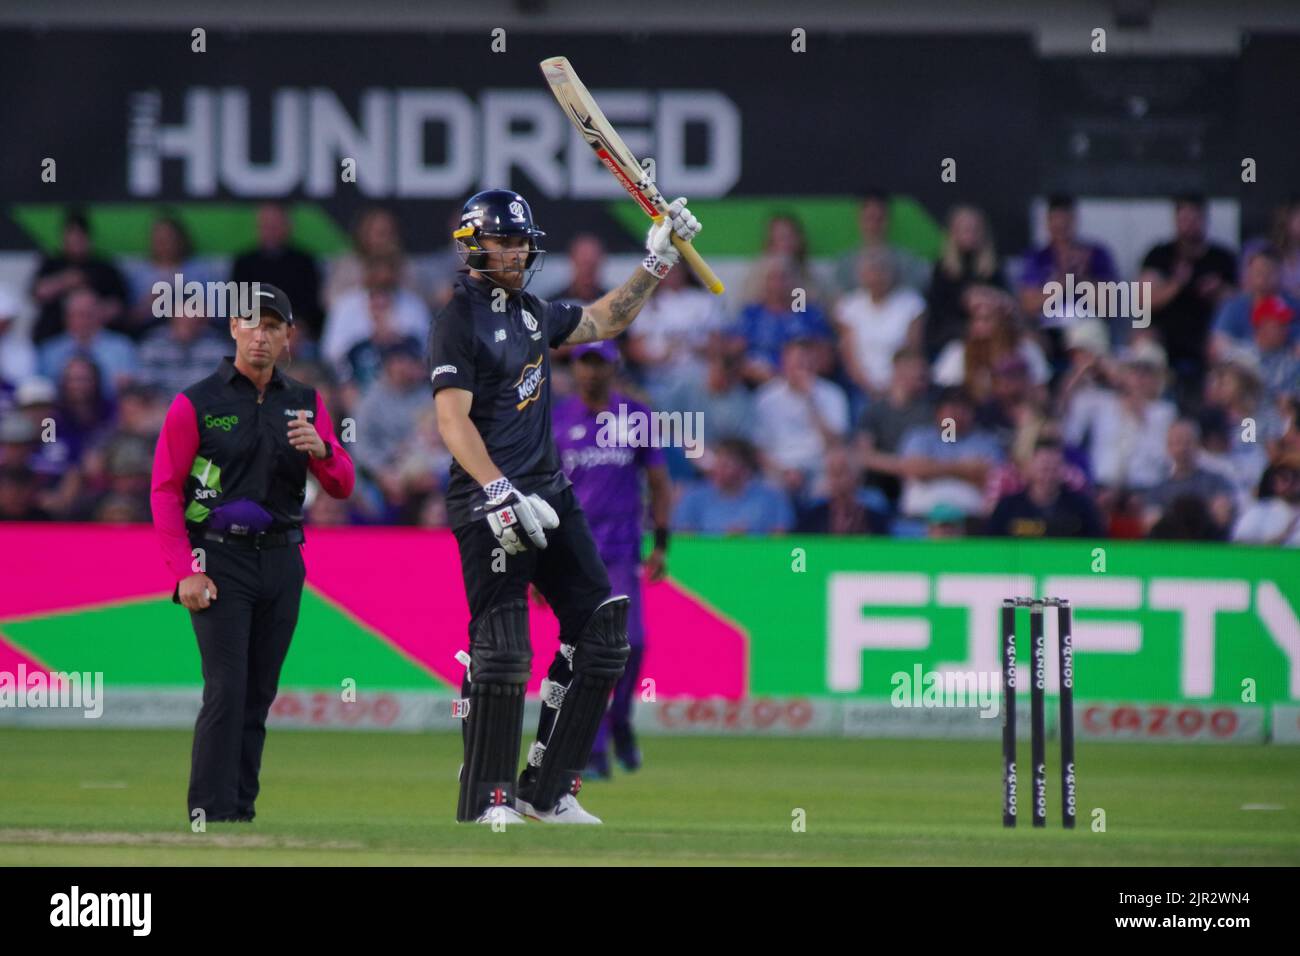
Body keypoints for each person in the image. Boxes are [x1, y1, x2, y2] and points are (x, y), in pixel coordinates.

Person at [429, 188, 701, 826]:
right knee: (501, 647)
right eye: (506, 241)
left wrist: (655, 262)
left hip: (549, 492)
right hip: (486, 497)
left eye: (524, 241)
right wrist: (497, 489)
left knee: (603, 632)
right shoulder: (457, 320)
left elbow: (602, 322)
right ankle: (488, 798)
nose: (520, 251)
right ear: (474, 247)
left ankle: (545, 791)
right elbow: (451, 420)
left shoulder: (530, 311)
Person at [150, 284, 355, 825]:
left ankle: (239, 812)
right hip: (219, 562)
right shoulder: (196, 402)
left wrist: (325, 451)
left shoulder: (307, 401)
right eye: (250, 323)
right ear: (233, 330)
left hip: (284, 561)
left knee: (259, 693)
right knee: (226, 688)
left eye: (272, 326)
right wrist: (183, 574)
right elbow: (165, 491)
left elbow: (341, 486)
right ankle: (209, 811)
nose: (260, 335)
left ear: (289, 337)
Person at [551, 340, 672, 780]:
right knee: (589, 653)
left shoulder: (637, 417)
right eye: (584, 361)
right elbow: (543, 491)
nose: (591, 371)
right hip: (575, 555)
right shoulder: (557, 419)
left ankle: (619, 720)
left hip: (622, 551)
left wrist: (661, 544)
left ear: (614, 365)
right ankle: (596, 749)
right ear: (575, 366)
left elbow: (658, 483)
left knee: (632, 644)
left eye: (599, 362)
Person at [1138, 193, 1237, 399]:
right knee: (1144, 343)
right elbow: (1142, 300)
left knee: (1225, 350)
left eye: (1195, 219)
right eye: (1184, 219)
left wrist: (1216, 291)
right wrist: (1176, 283)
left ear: (1204, 220)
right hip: (1165, 334)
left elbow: (1240, 303)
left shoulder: (1221, 257)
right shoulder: (1160, 254)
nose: (1189, 225)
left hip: (1208, 333)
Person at [231, 203, 325, 340]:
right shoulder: (244, 262)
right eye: (266, 225)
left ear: (288, 227)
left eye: (276, 225)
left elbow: (311, 306)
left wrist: (294, 329)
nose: (271, 230)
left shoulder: (304, 262)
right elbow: (238, 305)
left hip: (295, 334)